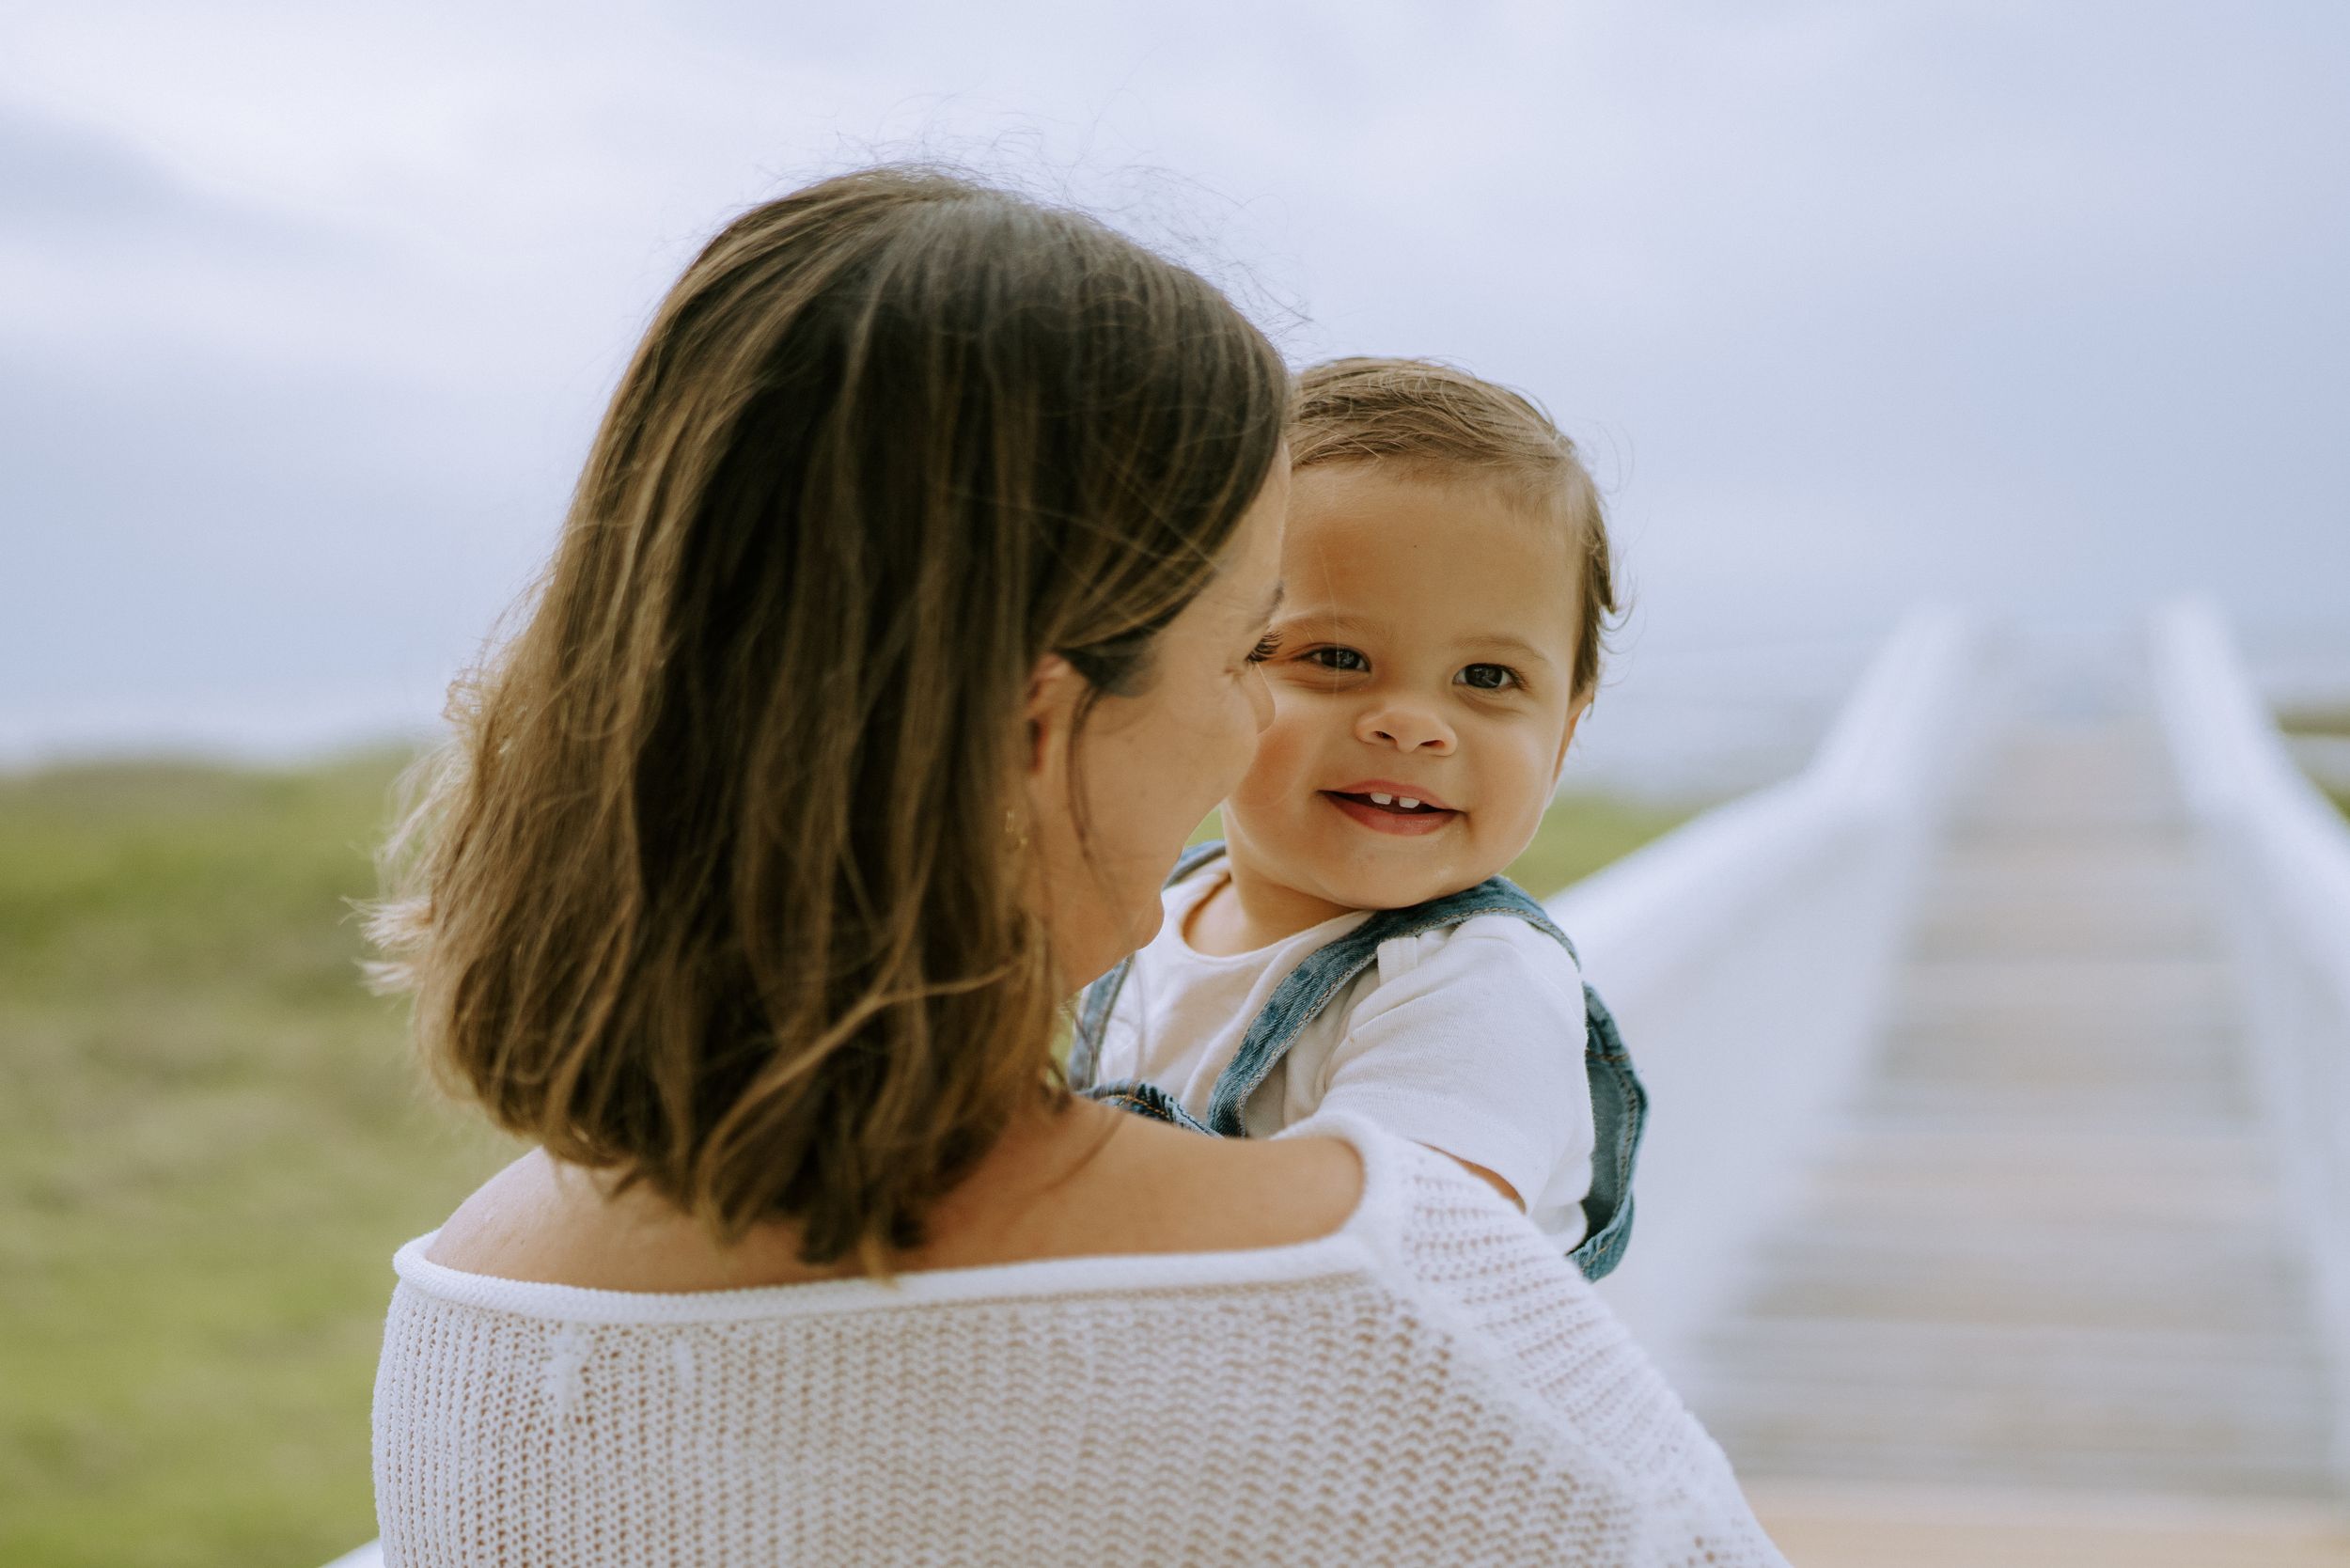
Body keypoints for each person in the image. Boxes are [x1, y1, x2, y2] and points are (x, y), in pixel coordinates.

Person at [365, 165, 1786, 1567]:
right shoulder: (1367, 1312)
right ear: (1049, 727)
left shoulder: (460, 1328)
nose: (1390, 720)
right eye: (1260, 652)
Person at [1072, 356, 1639, 1273]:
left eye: (1487, 679)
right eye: (1335, 658)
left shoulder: (1473, 983)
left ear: (1565, 736)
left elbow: (1399, 1252)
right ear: (1203, 668)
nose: (1412, 724)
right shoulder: (1156, 910)